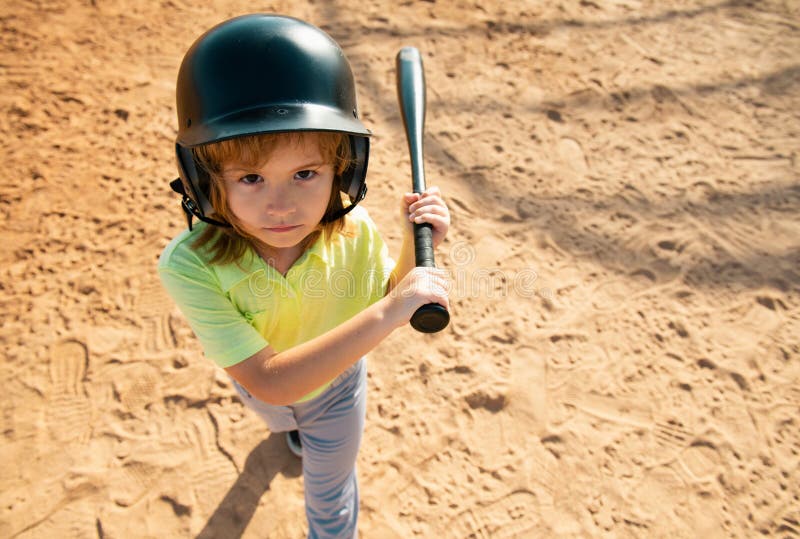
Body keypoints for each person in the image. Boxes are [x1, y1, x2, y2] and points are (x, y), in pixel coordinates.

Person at [157, 14, 450, 539]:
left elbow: (389, 296)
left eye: (305, 173)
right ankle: (292, 433)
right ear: (204, 181)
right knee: (281, 417)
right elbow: (270, 380)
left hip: (338, 389)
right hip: (261, 388)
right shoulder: (191, 264)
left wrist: (415, 240)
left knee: (330, 492)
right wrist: (388, 311)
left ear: (343, 168)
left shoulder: (352, 231)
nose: (281, 205)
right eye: (250, 177)